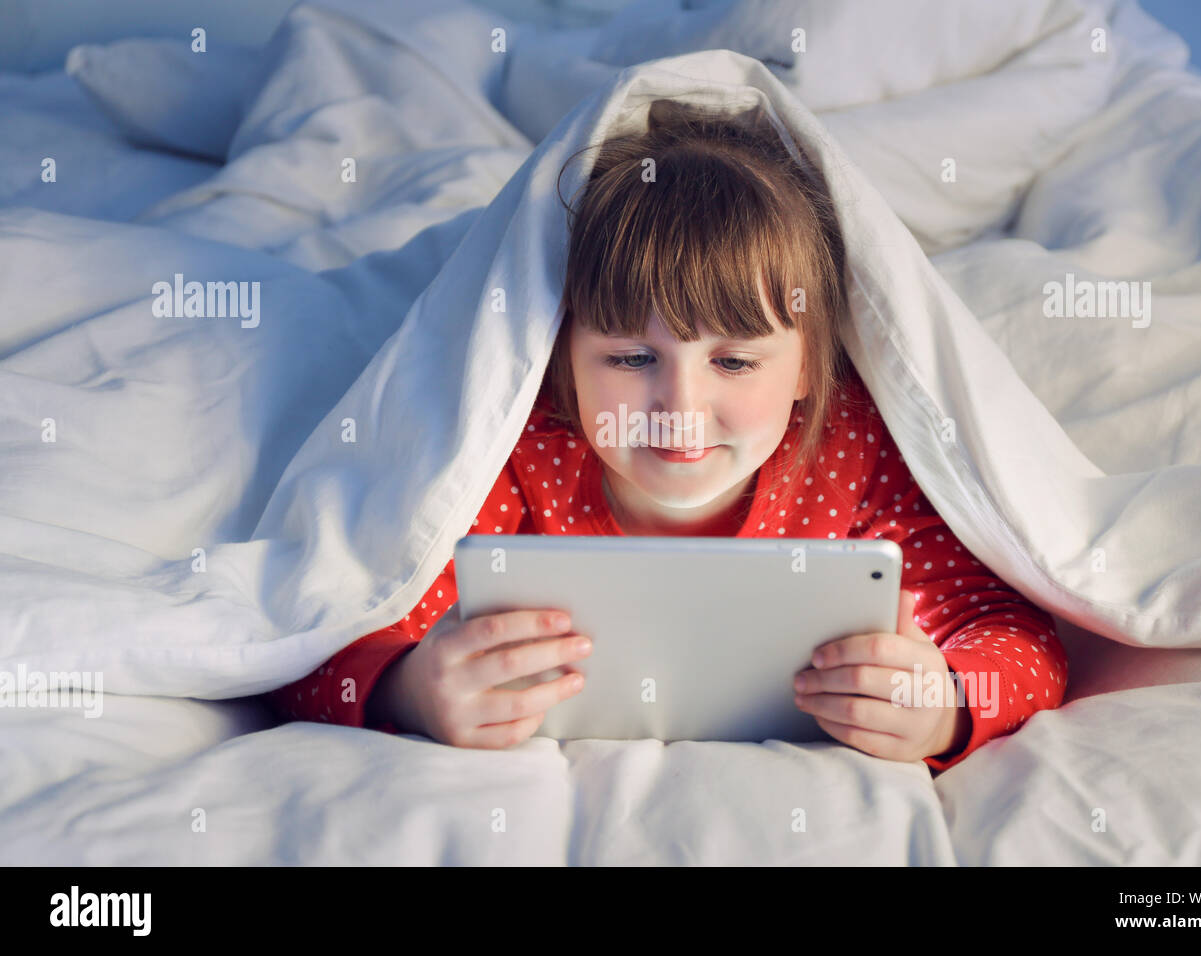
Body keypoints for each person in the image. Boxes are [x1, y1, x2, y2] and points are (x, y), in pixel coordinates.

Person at [264, 99, 1068, 772]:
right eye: (632, 356)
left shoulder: (853, 451)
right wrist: (408, 688)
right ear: (562, 355)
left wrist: (948, 707)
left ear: (807, 365)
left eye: (736, 360)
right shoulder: (514, 455)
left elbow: (1019, 639)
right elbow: (319, 634)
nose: (679, 407)